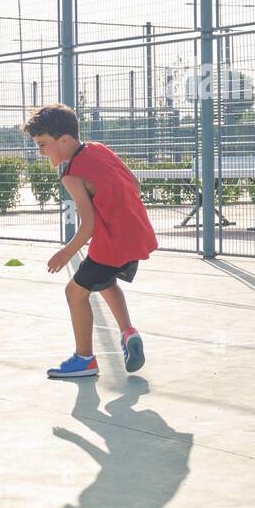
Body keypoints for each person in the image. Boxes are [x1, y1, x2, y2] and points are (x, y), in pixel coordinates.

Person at [24, 103, 157, 379]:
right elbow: (134, 184)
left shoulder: (71, 174)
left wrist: (65, 253)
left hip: (112, 242)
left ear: (64, 141)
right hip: (137, 235)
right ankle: (128, 332)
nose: (40, 152)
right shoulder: (99, 149)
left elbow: (88, 226)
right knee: (106, 282)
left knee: (74, 293)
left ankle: (84, 359)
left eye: (43, 144)